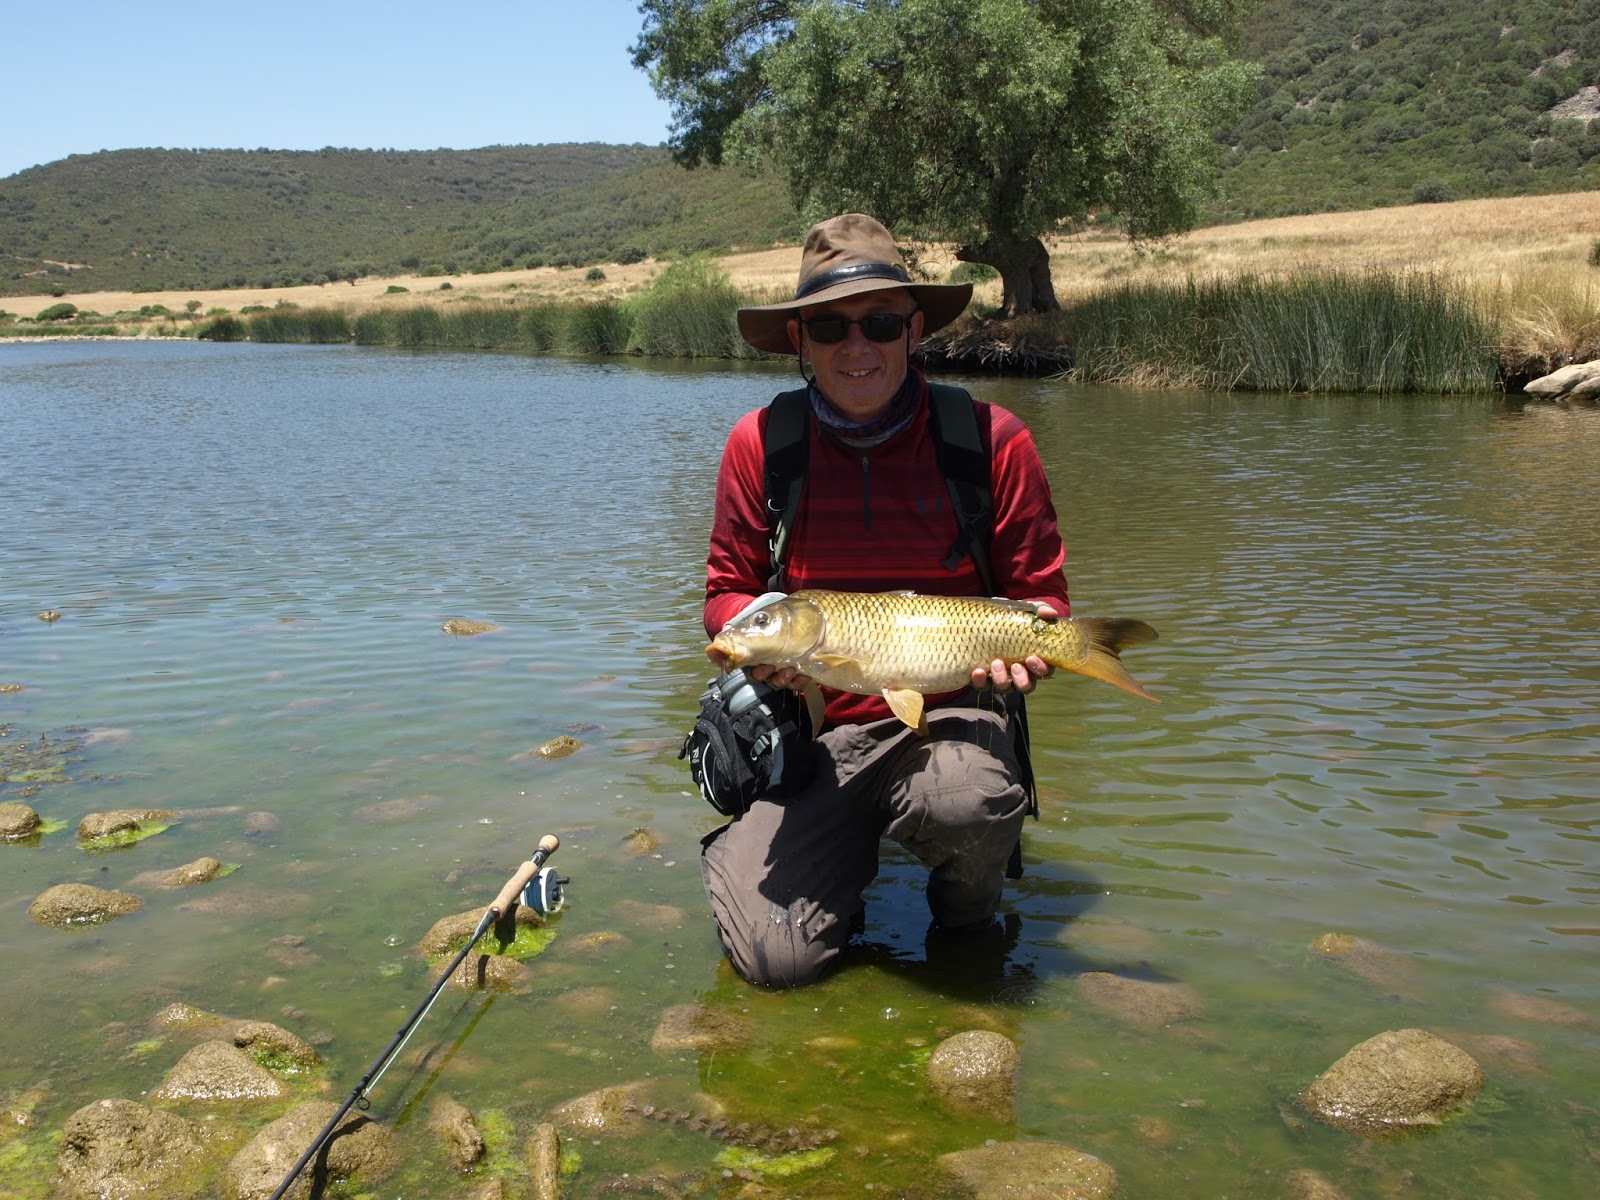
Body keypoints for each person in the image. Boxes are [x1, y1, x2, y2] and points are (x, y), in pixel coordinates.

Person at [699, 213, 1071, 988]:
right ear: (799, 340)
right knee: (774, 964)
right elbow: (727, 589)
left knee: (963, 803)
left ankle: (966, 917)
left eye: (878, 323)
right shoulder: (761, 445)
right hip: (813, 732)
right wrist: (756, 646)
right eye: (829, 327)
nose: (856, 346)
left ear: (914, 330)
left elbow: (1040, 597)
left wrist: (1037, 650)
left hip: (955, 713)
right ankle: (827, 870)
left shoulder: (992, 440)